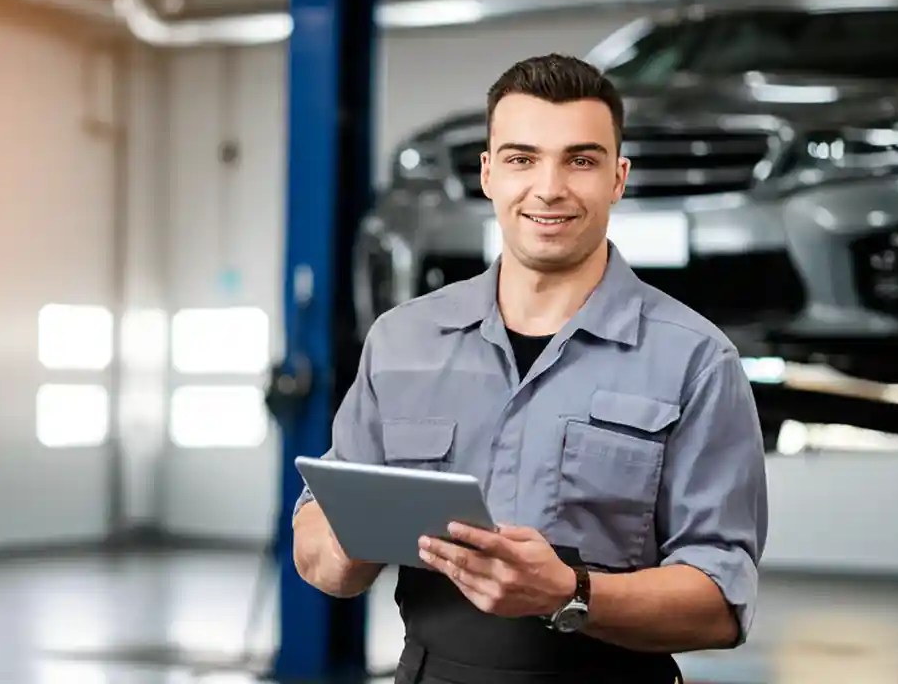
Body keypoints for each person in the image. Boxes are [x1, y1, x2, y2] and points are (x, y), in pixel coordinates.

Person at [291, 53, 769, 684]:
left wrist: (570, 592)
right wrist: (343, 548)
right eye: (521, 159)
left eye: (581, 160)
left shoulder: (696, 359)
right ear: (488, 174)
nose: (548, 188)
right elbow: (317, 535)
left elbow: (720, 603)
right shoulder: (403, 340)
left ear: (618, 178)